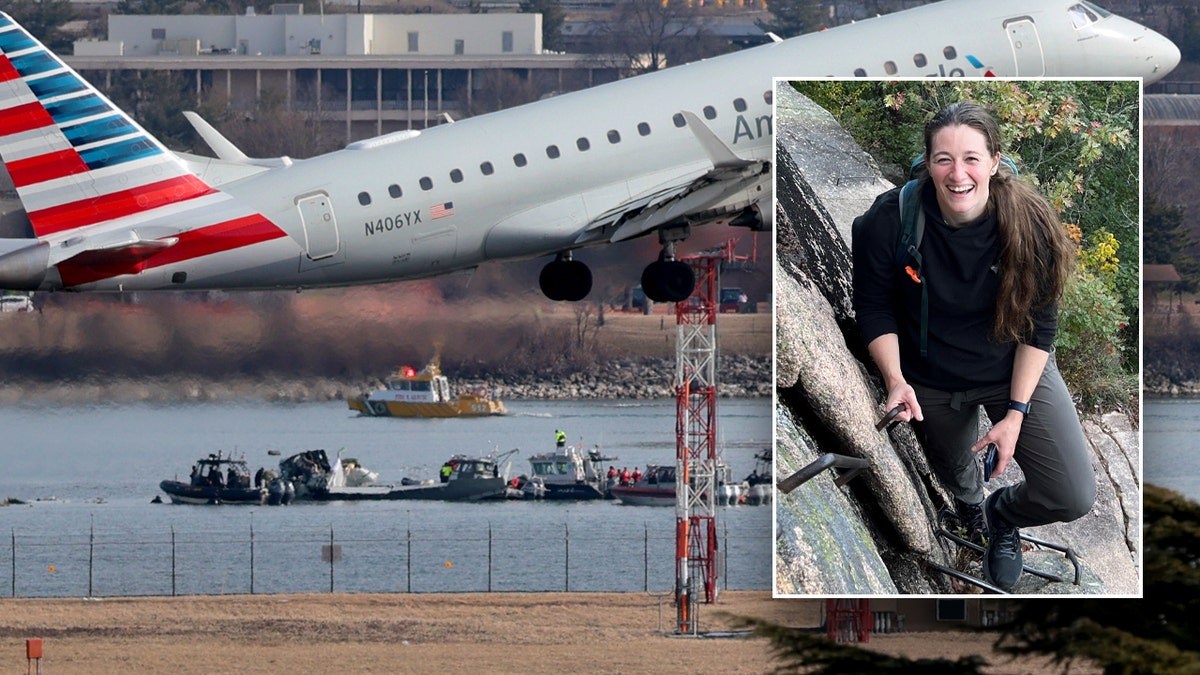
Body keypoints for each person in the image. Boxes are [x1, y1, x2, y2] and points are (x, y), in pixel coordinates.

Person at [851, 101, 1096, 592]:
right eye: (943, 158)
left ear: (994, 162)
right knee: (958, 470)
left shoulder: (1031, 228)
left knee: (1072, 494)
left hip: (1011, 368)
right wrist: (896, 380)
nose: (957, 173)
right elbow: (874, 308)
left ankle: (1001, 515)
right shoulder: (889, 220)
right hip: (929, 379)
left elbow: (1038, 329)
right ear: (927, 164)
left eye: (970, 158)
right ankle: (972, 513)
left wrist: (1016, 414)